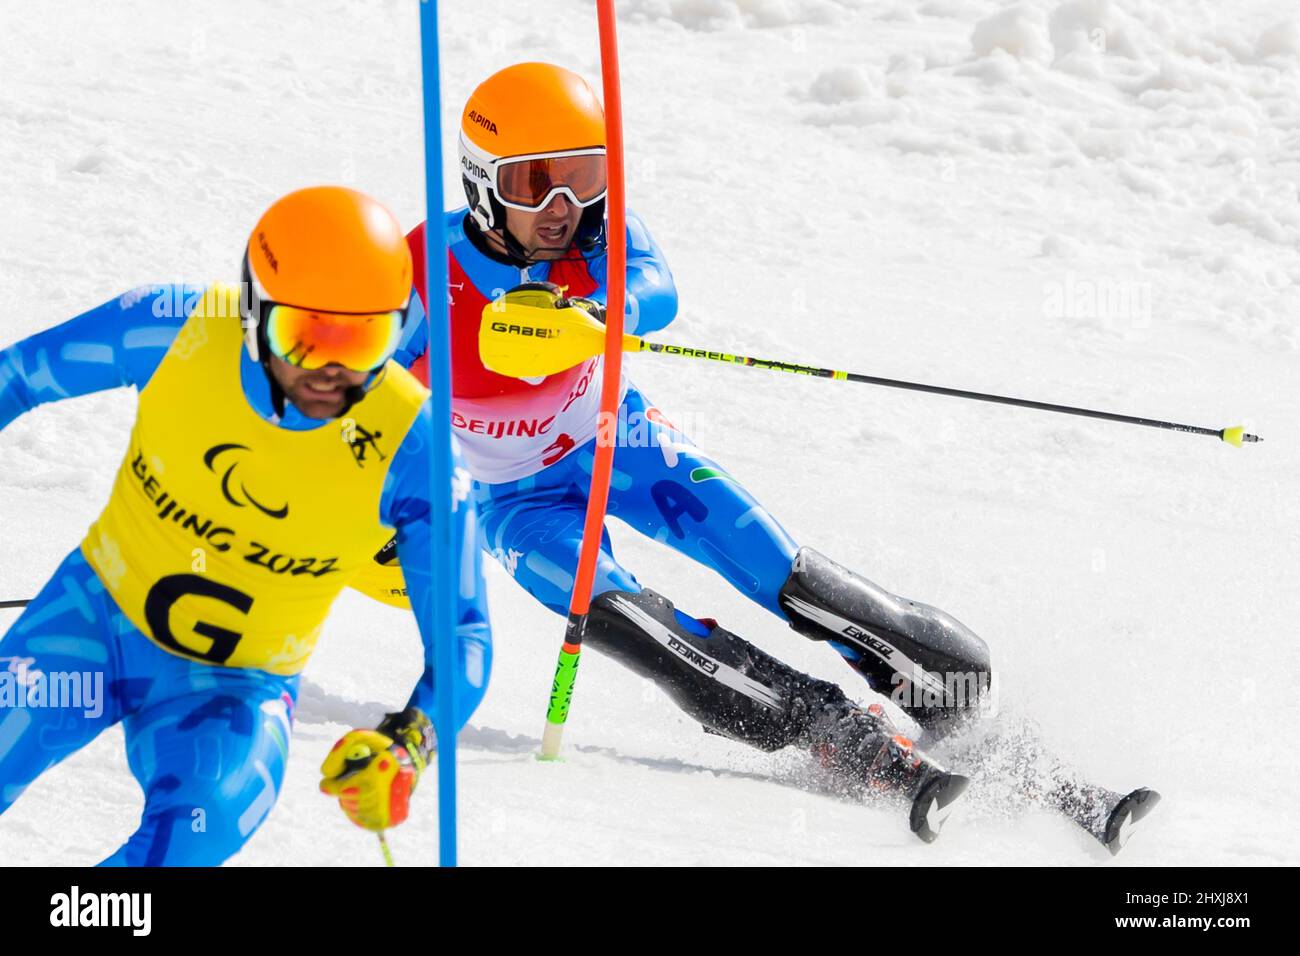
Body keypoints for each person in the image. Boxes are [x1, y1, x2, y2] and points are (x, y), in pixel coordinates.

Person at [0, 186, 491, 864]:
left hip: (235, 689)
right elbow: (17, 377)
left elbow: (463, 637)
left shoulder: (418, 450)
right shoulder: (176, 328)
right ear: (253, 310)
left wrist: (409, 746)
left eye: (364, 339)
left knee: (197, 834)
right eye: (304, 337)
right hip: (92, 624)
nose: (332, 369)